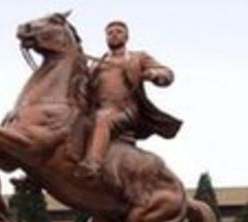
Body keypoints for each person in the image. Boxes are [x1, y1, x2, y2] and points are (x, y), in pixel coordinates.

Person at [75, 20, 183, 180]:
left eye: (119, 32)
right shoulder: (97, 64)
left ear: (126, 37)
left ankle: (93, 164)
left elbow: (166, 73)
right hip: (98, 108)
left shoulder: (138, 57)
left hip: (124, 109)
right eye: (110, 33)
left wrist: (154, 74)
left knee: (103, 118)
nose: (114, 35)